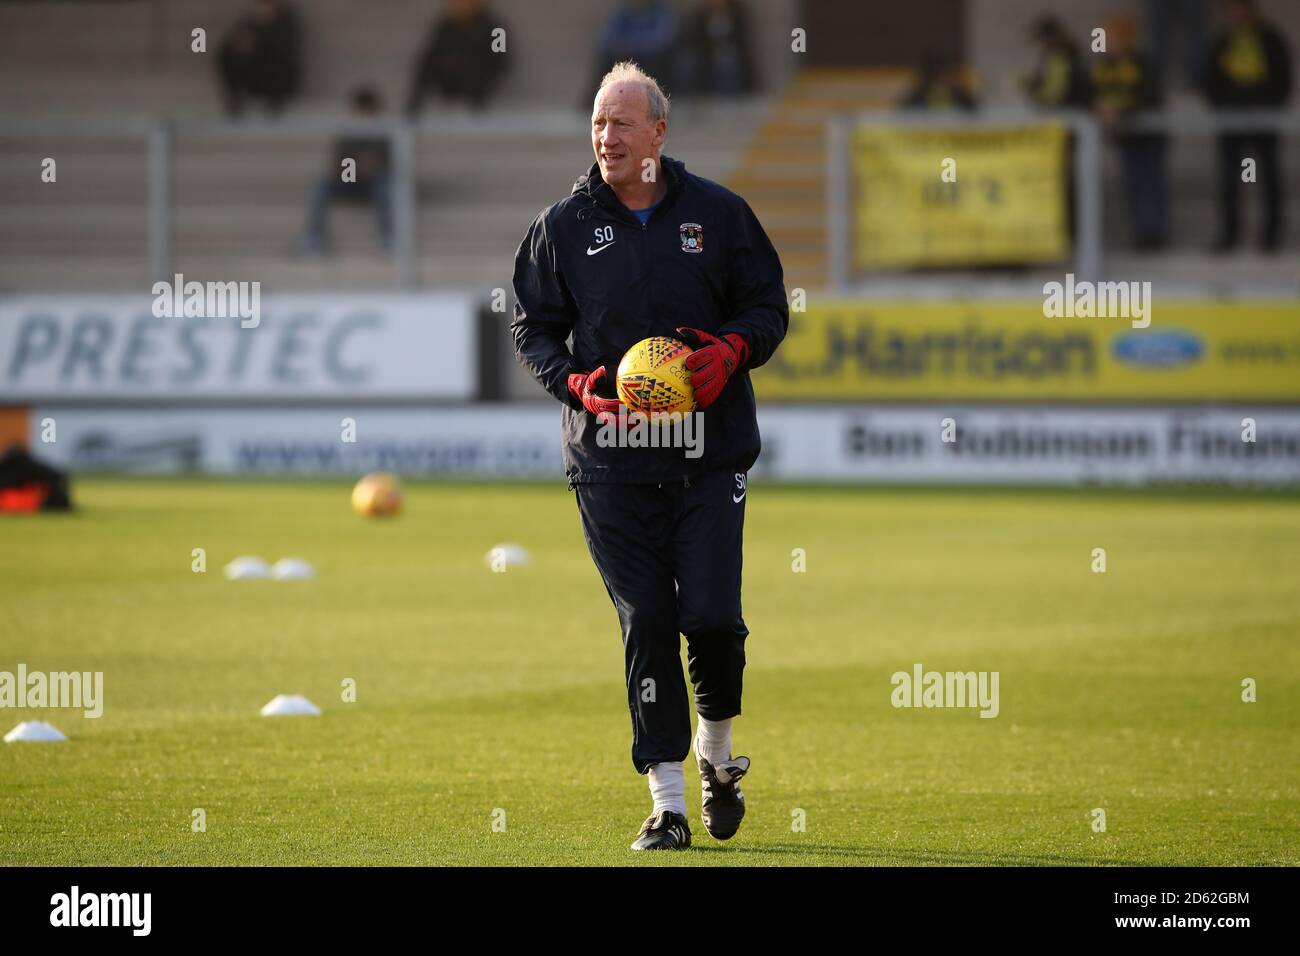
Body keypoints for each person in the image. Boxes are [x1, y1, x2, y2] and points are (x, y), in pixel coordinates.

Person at [510, 62, 788, 851]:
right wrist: (578, 386)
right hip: (609, 461)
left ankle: (719, 758)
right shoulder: (561, 225)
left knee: (711, 620)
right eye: (598, 123)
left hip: (707, 454)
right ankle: (666, 805)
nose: (607, 137)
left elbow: (768, 306)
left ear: (659, 134)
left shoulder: (721, 215)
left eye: (622, 123)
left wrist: (734, 348)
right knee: (648, 624)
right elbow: (533, 328)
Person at [1203, 0, 1292, 252]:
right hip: (1232, 121)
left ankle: (1270, 236)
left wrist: (1268, 106)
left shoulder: (1270, 38)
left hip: (1263, 120)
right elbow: (1210, 78)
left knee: (1269, 178)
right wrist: (1224, 106)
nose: (1236, 15)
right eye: (1231, 10)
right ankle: (1230, 234)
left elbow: (1282, 76)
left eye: (1240, 9)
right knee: (1230, 179)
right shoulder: (1222, 40)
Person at [1092, 16, 1169, 249]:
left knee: (1153, 184)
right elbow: (1093, 92)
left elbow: (1151, 96)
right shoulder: (1104, 66)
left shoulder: (1142, 63)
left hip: (1149, 136)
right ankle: (1140, 233)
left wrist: (1121, 109)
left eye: (1114, 39)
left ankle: (1156, 233)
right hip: (1126, 138)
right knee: (1133, 186)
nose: (1110, 44)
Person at [297, 86, 392, 256]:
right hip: (351, 182)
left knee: (385, 183)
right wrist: (358, 165)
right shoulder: (347, 134)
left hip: (374, 186)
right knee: (322, 184)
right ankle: (314, 237)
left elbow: (388, 166)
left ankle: (388, 237)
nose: (363, 116)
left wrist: (361, 165)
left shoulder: (385, 134)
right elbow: (340, 167)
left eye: (366, 111)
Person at [407, 0, 508, 114]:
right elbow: (430, 56)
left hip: (478, 80)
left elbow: (500, 59)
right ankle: (414, 109)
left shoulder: (494, 28)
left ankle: (478, 109)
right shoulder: (445, 26)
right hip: (450, 78)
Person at [218, 0, 302, 116]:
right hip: (254, 76)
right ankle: (235, 96)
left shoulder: (286, 22)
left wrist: (258, 41)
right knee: (229, 52)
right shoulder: (249, 23)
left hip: (276, 81)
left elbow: (285, 49)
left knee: (276, 55)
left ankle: (274, 100)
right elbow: (234, 41)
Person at [592, 1, 677, 100]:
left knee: (658, 61)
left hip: (651, 57)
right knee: (607, 58)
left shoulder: (660, 12)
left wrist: (633, 45)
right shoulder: (624, 12)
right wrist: (621, 46)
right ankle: (601, 96)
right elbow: (606, 38)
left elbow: (663, 39)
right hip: (628, 54)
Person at [678, 0, 757, 97]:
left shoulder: (736, 14)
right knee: (687, 64)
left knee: (727, 61)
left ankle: (728, 99)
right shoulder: (700, 16)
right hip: (705, 59)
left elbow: (741, 42)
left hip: (728, 60)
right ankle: (689, 99)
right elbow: (693, 41)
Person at [1023, 16, 1093, 108]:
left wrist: (1033, 92)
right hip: (1076, 107)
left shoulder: (1059, 56)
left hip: (1069, 109)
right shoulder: (1069, 52)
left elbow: (1053, 93)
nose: (1042, 45)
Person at [900, 55, 977, 111]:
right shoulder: (919, 96)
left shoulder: (960, 95)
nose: (953, 79)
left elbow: (975, 110)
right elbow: (907, 113)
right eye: (947, 75)